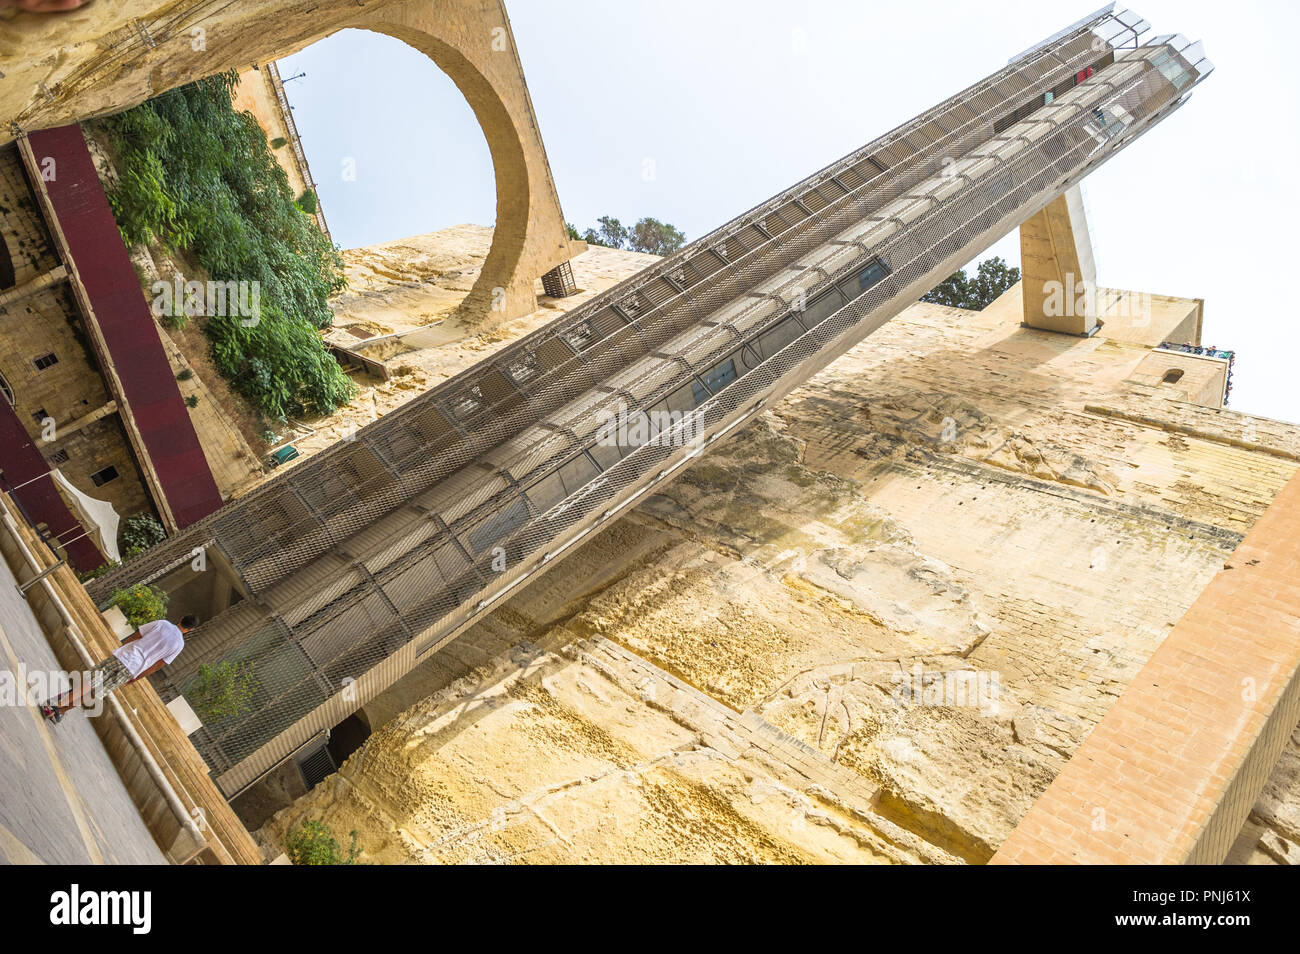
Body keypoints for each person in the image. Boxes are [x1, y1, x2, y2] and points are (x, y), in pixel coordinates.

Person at [40, 614, 198, 723]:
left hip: (124, 656)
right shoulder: (179, 645)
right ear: (190, 629)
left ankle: (58, 704)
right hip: (133, 669)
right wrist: (138, 676)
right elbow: (158, 665)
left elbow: (139, 634)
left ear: (181, 618)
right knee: (96, 691)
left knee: (91, 681)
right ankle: (61, 710)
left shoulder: (162, 624)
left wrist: (123, 647)